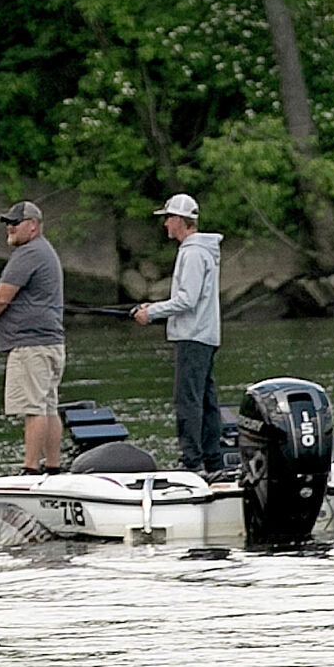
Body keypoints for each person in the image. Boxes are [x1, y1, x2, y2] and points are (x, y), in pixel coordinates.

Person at [0, 201, 66, 475]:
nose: (9, 228)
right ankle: (53, 467)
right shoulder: (44, 252)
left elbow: (1, 297)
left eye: (15, 223)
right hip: (50, 343)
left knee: (34, 409)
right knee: (48, 406)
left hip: (30, 346)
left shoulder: (28, 253)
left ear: (32, 226)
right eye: (8, 223)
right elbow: (19, 299)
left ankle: (31, 469)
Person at [132, 193, 226, 479]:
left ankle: (192, 461)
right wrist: (155, 307)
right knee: (206, 401)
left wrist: (153, 313)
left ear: (180, 221)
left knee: (188, 400)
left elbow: (187, 300)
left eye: (168, 219)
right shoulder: (200, 250)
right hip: (205, 335)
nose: (165, 225)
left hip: (193, 336)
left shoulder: (194, 252)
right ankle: (213, 462)